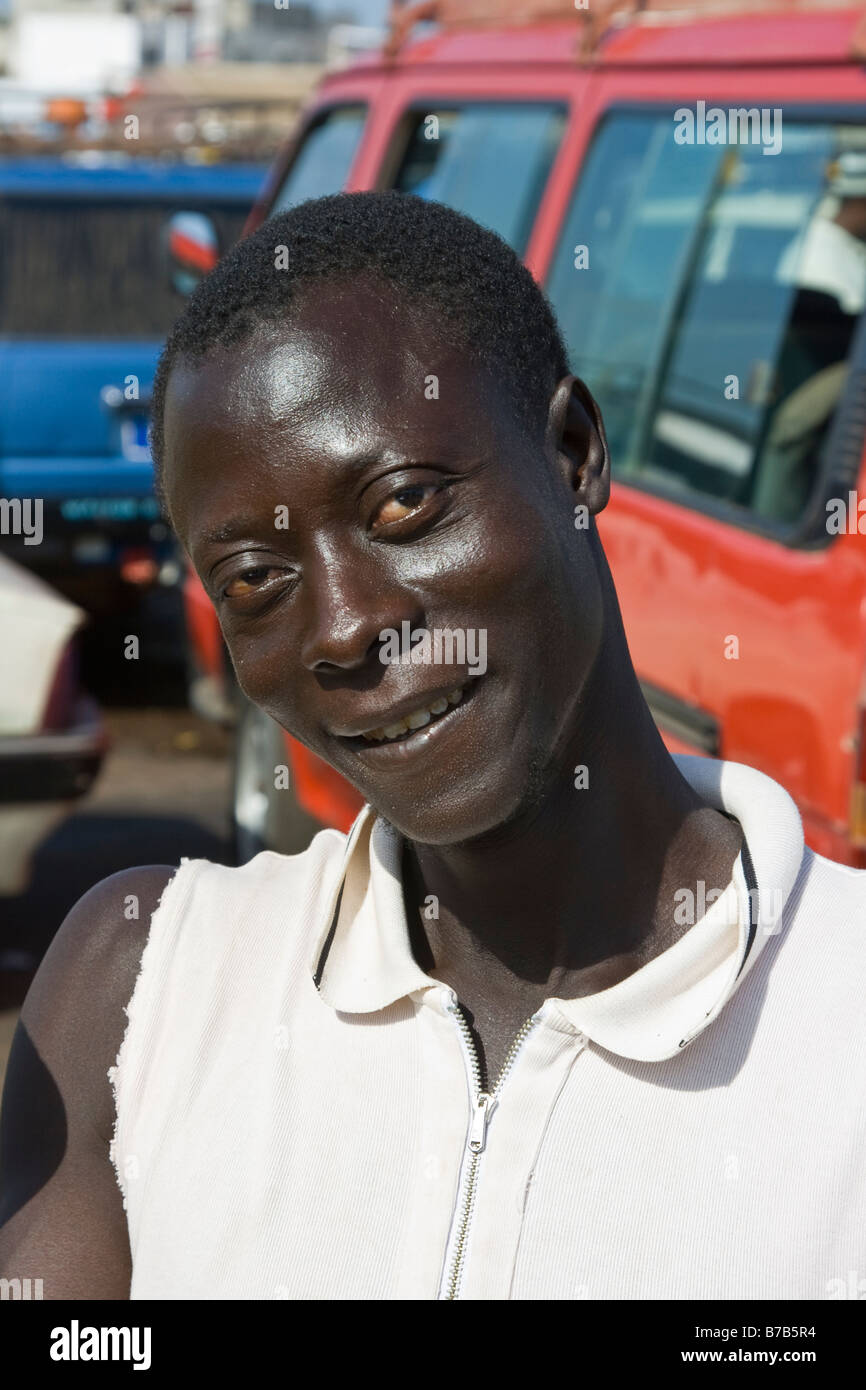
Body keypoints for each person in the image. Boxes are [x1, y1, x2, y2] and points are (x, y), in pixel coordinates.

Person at [1, 191, 864, 1301]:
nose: (347, 623)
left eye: (403, 504)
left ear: (571, 453)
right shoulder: (138, 995)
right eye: (256, 581)